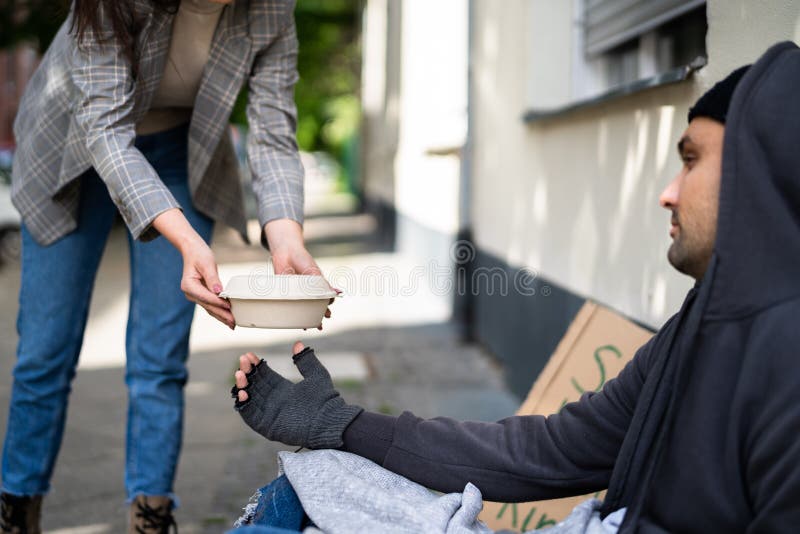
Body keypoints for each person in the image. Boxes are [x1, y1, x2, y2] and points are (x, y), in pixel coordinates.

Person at [228, 41, 800, 533]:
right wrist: (343, 424)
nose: (667, 192)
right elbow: (545, 452)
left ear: (760, 171)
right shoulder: (693, 327)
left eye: (692, 161)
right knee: (316, 478)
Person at [1, 0, 330, 532]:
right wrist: (185, 239)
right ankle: (17, 506)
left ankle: (150, 514)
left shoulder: (270, 8)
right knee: (46, 351)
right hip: (74, 148)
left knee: (160, 358)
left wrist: (285, 233)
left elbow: (272, 128)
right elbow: (106, 131)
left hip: (179, 149)